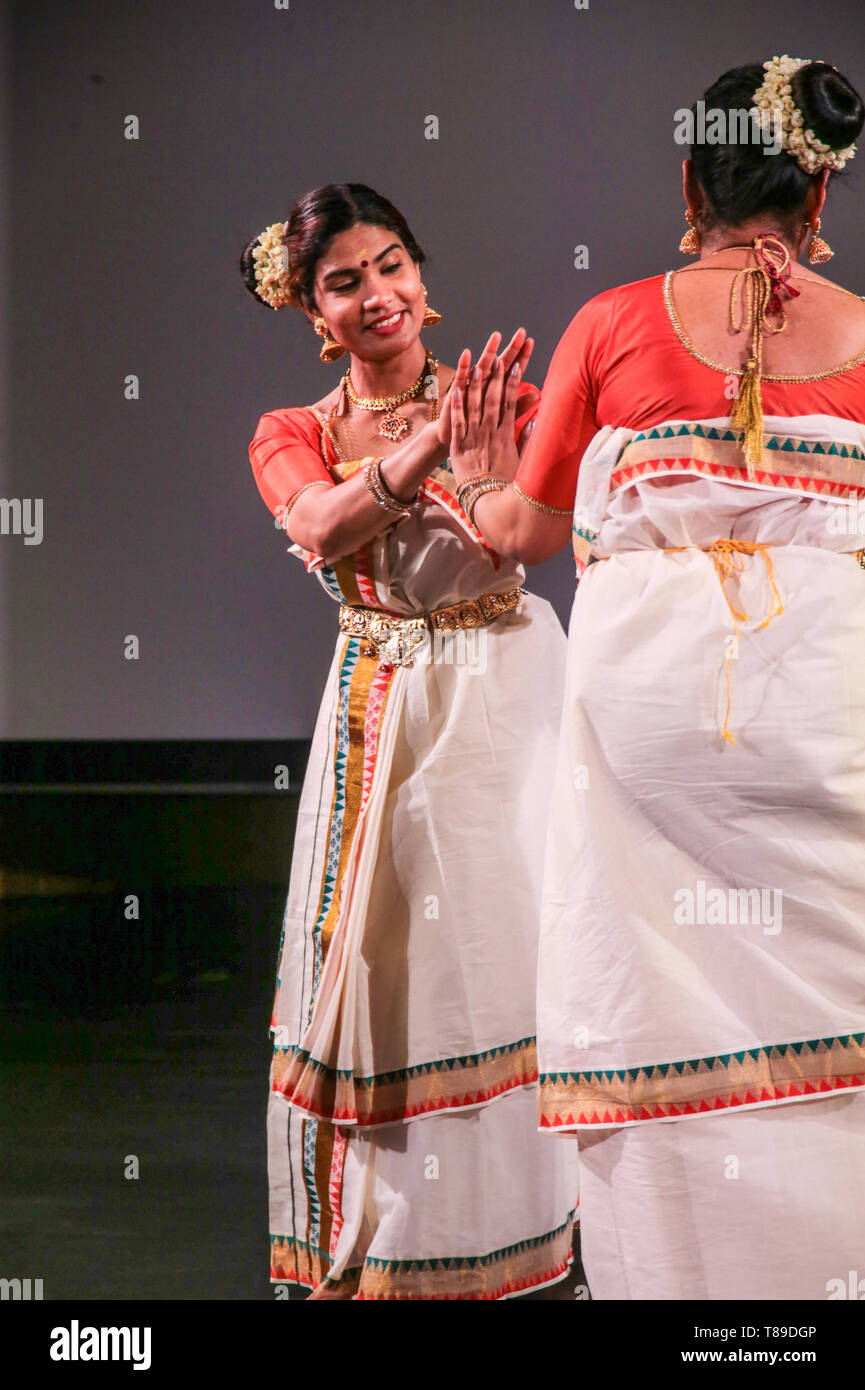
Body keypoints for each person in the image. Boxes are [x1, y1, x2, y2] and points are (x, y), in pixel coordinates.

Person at [446, 58, 865, 1299]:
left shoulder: (614, 323)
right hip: (824, 711)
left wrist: (477, 479)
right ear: (818, 186)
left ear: (690, 178)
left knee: (658, 991)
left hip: (653, 728)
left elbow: (519, 534)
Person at [241, 183, 577, 1299]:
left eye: (391, 265)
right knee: (384, 964)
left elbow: (527, 535)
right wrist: (434, 443)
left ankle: (517, 1244)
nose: (377, 293)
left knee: (490, 956)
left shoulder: (503, 400)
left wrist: (478, 462)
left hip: (498, 693)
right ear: (311, 313)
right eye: (345, 281)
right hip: (378, 698)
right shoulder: (294, 432)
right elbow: (315, 524)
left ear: (421, 277)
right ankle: (388, 1252)